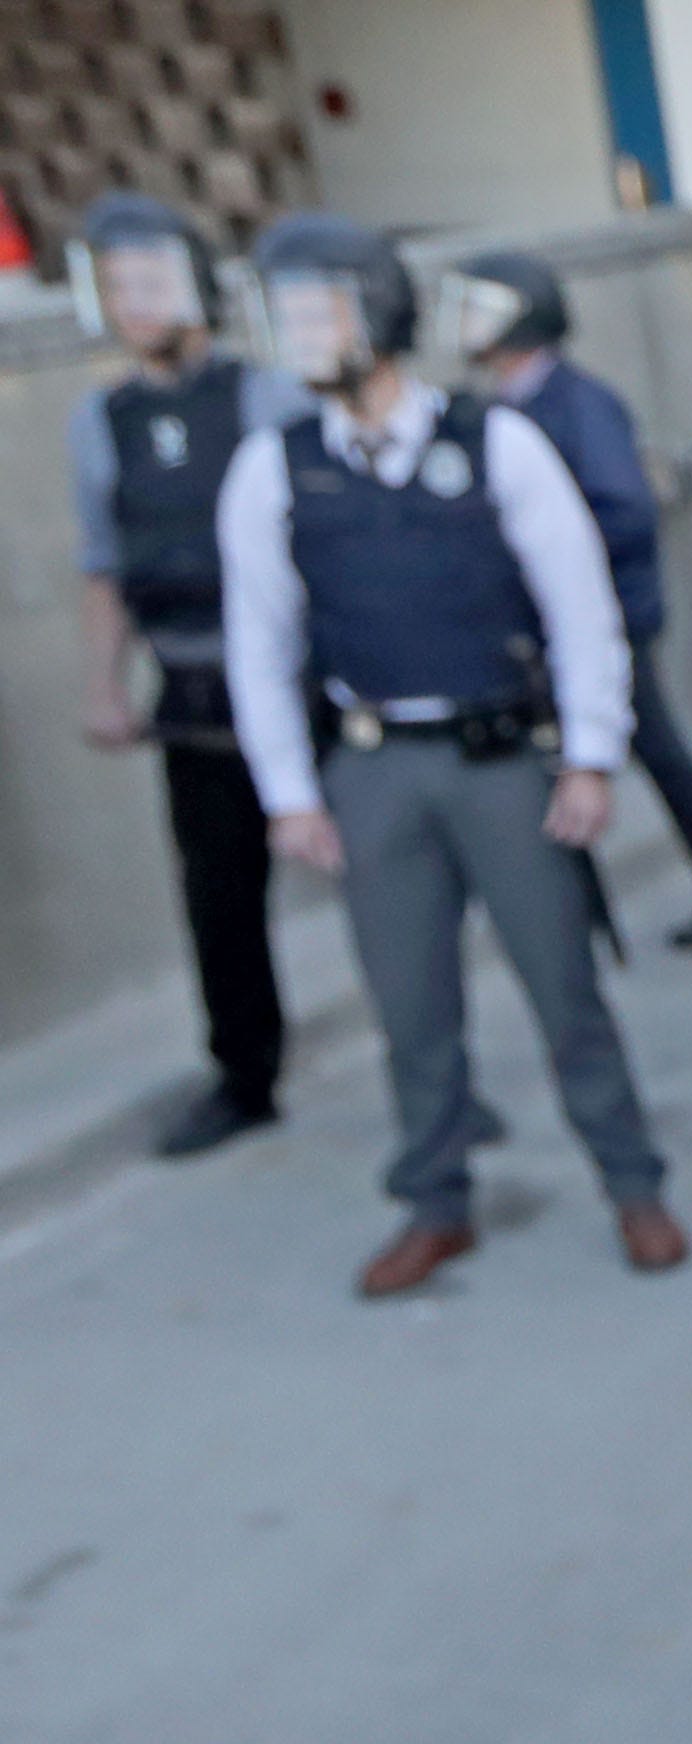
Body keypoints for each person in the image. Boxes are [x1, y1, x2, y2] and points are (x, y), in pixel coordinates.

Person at [219, 214, 687, 1298]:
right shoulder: (274, 469)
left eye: (319, 309)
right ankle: (436, 1202)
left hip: (500, 761)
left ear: (379, 313)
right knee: (409, 1005)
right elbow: (261, 644)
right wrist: (290, 794)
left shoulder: (496, 443)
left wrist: (589, 758)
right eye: (286, 313)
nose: (299, 334)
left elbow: (582, 608)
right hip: (375, 769)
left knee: (564, 986)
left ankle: (633, 1183)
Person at [446, 249, 692, 951]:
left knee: (656, 754)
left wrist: (545, 554)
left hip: (608, 625)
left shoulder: (577, 403)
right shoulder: (499, 409)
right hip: (539, 632)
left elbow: (625, 512)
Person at [67, 191, 305, 1158]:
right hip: (194, 697)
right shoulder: (101, 419)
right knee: (219, 899)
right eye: (118, 286)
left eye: (154, 282)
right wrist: (102, 685)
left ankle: (434, 1066)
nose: (138, 303)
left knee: (381, 880)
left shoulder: (264, 396)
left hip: (292, 685)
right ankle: (245, 1077)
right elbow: (104, 564)